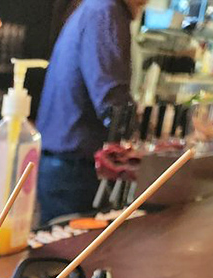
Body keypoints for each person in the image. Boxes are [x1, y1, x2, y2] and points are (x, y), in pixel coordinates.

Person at [36, 0, 147, 223]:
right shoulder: (105, 10)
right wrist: (143, 135)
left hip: (67, 165)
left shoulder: (97, 7)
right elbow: (112, 100)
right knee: (74, 255)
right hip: (75, 170)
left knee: (67, 254)